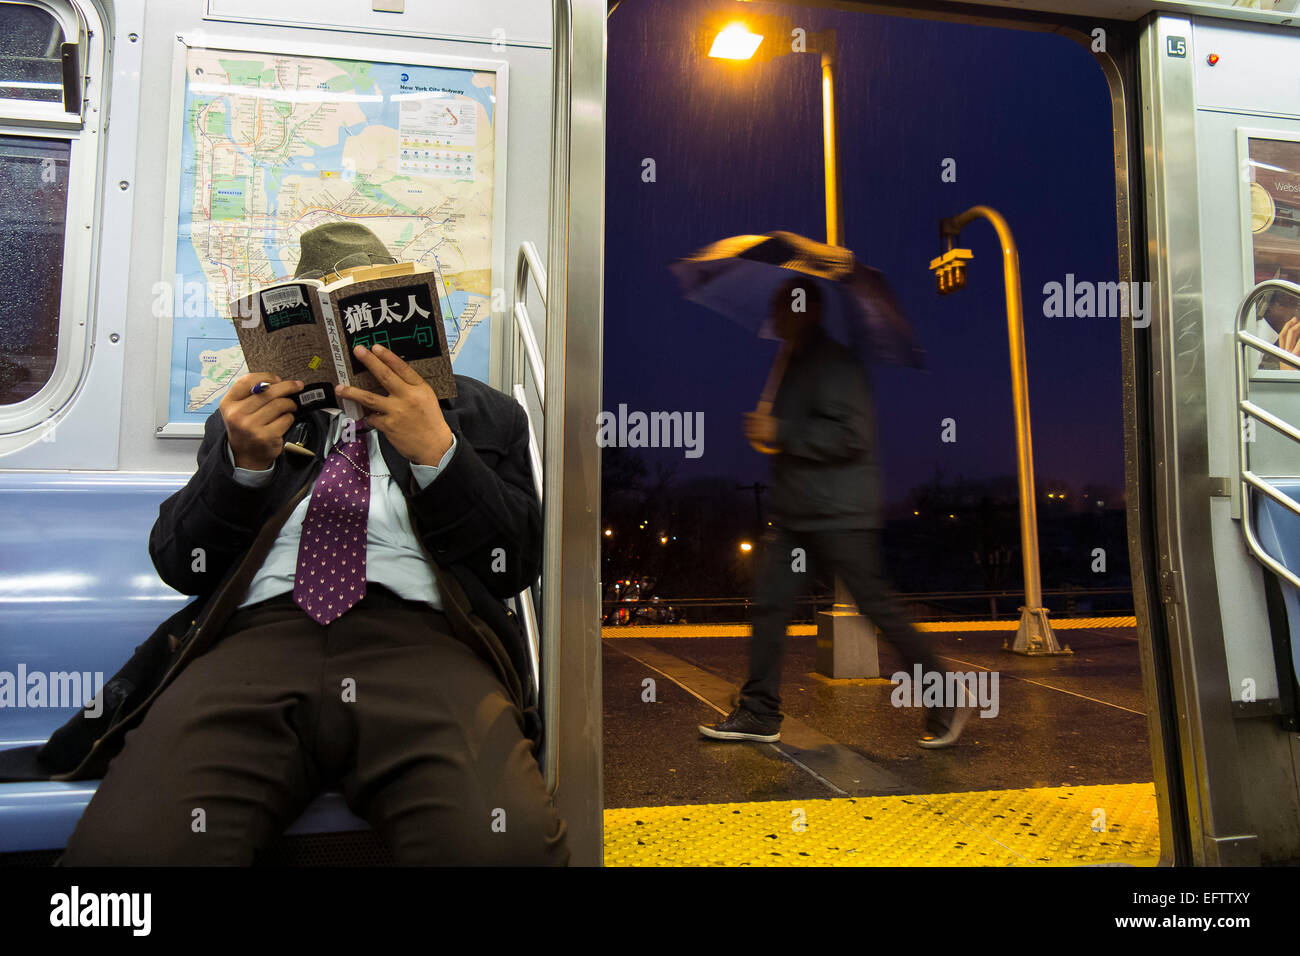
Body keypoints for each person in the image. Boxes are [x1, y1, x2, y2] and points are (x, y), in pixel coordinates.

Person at [56, 222, 568, 865]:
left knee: (503, 847)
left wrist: (442, 456)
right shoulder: (251, 418)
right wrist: (241, 466)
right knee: (128, 857)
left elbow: (513, 562)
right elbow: (180, 563)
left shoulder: (479, 415)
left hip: (426, 641)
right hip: (255, 641)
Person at [698, 276, 975, 749]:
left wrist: (780, 430)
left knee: (876, 609)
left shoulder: (837, 364)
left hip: (840, 515)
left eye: (784, 308)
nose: (777, 318)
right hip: (798, 516)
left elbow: (850, 437)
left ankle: (946, 695)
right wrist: (772, 431)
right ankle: (760, 711)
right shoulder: (791, 362)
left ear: (808, 311)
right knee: (769, 605)